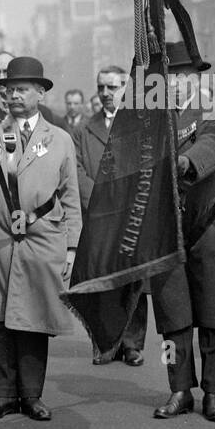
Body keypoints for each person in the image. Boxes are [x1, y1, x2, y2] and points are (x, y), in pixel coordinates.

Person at [0, 56, 81, 422]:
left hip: (43, 239)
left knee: (35, 315)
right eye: (9, 89)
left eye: (23, 89)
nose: (14, 95)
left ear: (40, 92)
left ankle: (33, 395)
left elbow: (70, 195)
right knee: (1, 316)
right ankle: (4, 395)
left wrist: (71, 246)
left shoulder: (60, 139)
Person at [149, 44, 215, 423]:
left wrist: (186, 161)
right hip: (167, 228)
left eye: (182, 74)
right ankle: (179, 390)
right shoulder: (147, 119)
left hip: (211, 221)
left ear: (197, 76)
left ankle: (213, 392)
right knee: (172, 318)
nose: (175, 82)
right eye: (167, 75)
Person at [73, 65, 147, 366]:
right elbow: (77, 170)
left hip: (132, 215)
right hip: (99, 217)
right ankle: (105, 344)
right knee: (103, 280)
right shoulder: (83, 130)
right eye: (101, 87)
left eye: (112, 88)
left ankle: (132, 344)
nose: (105, 94)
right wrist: (100, 202)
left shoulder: (139, 125)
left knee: (132, 280)